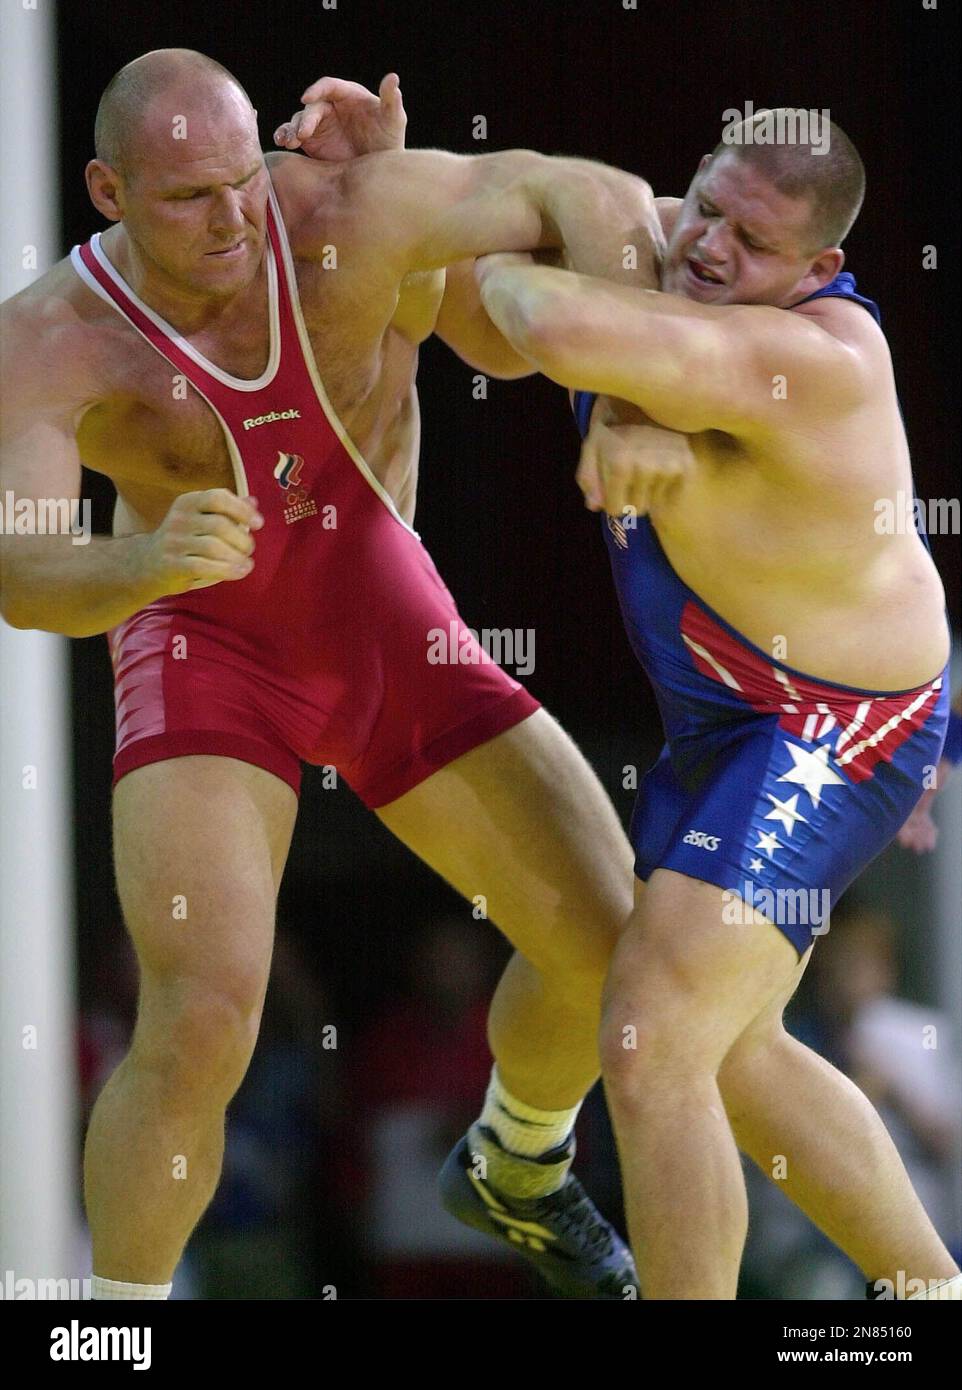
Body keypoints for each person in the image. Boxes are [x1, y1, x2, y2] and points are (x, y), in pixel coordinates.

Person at [1, 51, 669, 1300]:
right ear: (105, 189)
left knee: (607, 943)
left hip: (381, 626)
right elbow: (20, 570)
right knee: (203, 1016)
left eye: (241, 179)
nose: (231, 219)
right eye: (187, 197)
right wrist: (137, 559)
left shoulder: (336, 213)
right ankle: (108, 1326)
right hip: (203, 638)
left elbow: (592, 190)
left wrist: (634, 400)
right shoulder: (51, 338)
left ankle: (517, 1158)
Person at [468, 109, 961, 1300]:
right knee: (730, 1052)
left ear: (815, 274)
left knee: (646, 1039)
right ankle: (924, 1296)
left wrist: (519, 263)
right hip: (728, 716)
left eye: (750, 241)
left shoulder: (814, 364)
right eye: (704, 203)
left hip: (835, 730)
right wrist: (370, 172)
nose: (707, 248)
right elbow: (526, 222)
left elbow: (547, 320)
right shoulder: (653, 246)